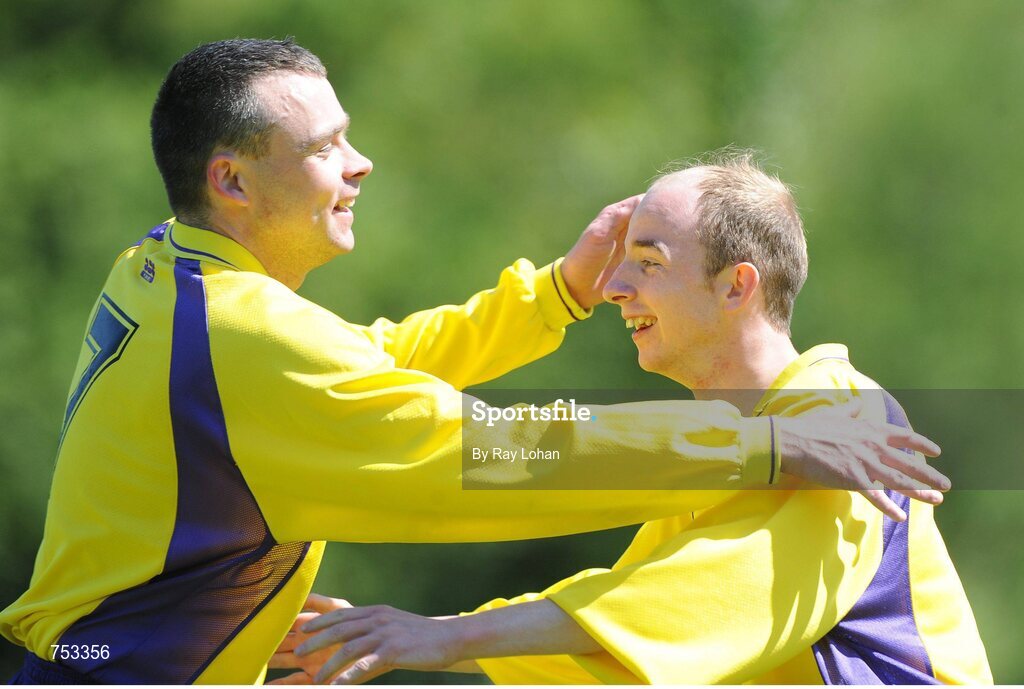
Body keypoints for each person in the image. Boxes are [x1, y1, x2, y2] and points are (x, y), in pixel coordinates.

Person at [0, 40, 947, 685]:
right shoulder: (244, 337)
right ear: (233, 180)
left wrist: (554, 297)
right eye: (328, 147)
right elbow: (495, 451)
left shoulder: (161, 272)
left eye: (647, 262)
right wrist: (766, 443)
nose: (361, 162)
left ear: (739, 284)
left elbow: (363, 365)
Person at [284, 154, 992, 685]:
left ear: (736, 285)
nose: (614, 287)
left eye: (647, 262)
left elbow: (696, 604)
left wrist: (441, 635)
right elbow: (614, 641)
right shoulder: (741, 441)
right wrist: (384, 633)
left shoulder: (841, 418)